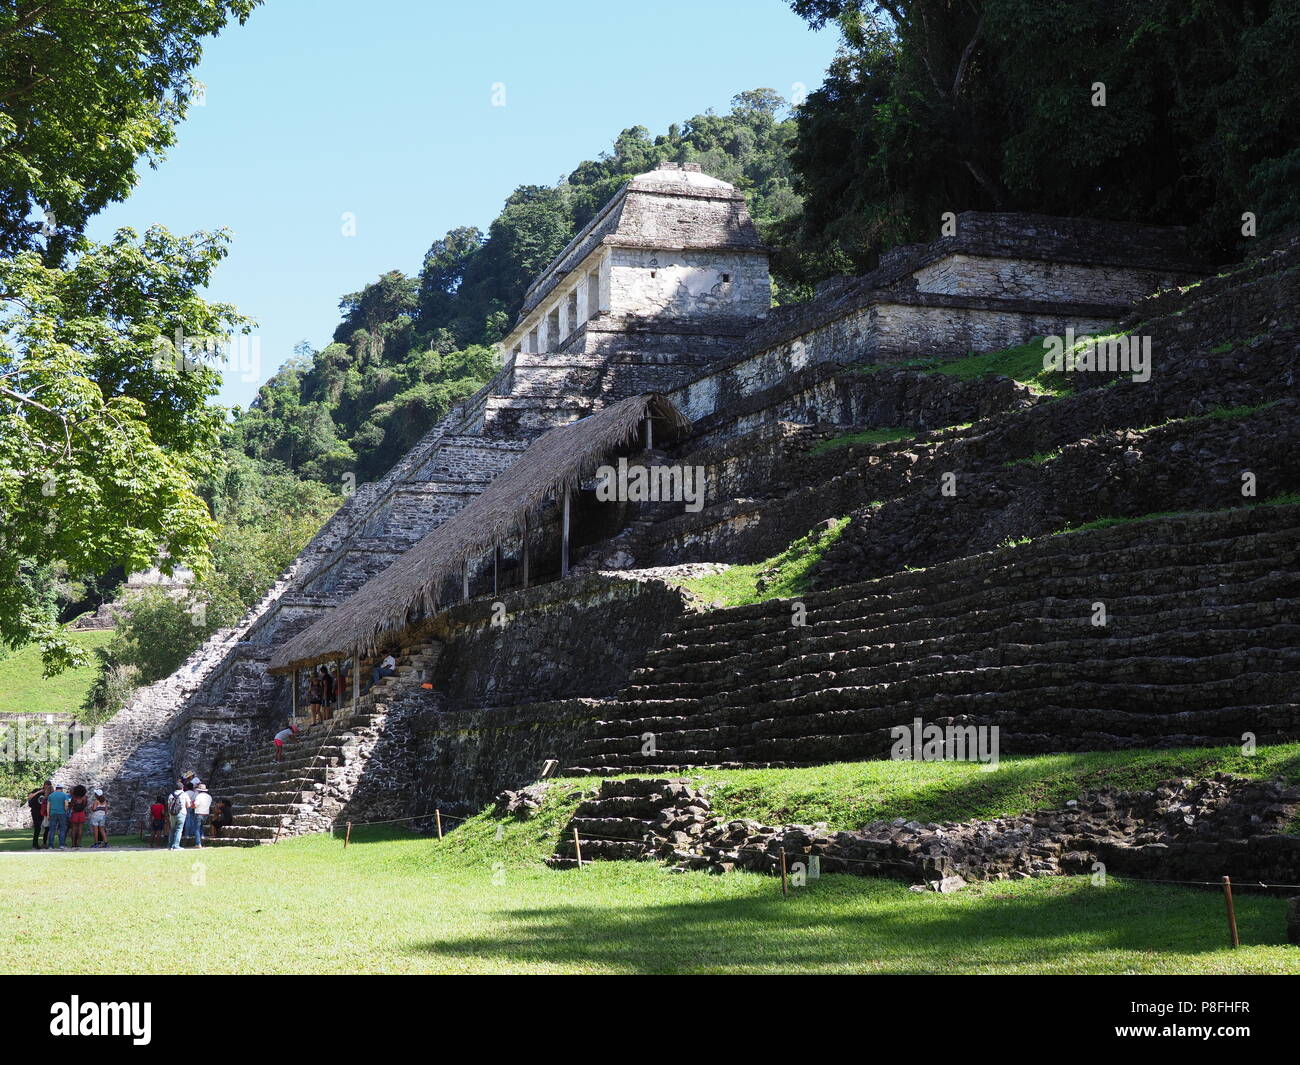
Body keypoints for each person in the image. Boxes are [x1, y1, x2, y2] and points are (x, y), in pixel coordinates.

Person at [26, 781, 50, 849]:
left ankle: (44, 843)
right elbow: (30, 796)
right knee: (37, 828)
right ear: (44, 785)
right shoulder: (37, 790)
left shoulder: (49, 793)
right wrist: (39, 792)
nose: (46, 787)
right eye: (46, 785)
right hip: (35, 812)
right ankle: (35, 844)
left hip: (43, 812)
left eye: (48, 786)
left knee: (47, 828)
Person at [167, 785, 191, 851]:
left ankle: (170, 846)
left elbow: (169, 806)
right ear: (182, 787)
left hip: (172, 814)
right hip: (181, 813)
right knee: (179, 829)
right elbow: (188, 805)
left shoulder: (171, 795)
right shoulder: (185, 794)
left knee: (172, 829)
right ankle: (176, 846)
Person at [46, 784, 70, 849]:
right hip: (62, 813)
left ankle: (51, 845)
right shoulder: (64, 795)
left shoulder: (51, 795)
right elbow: (66, 804)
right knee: (62, 829)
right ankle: (61, 845)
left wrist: (48, 815)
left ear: (56, 788)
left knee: (52, 830)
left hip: (53, 813)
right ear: (61, 788)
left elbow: (48, 806)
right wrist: (65, 810)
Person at [191, 783, 213, 848]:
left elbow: (195, 805)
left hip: (199, 814)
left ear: (199, 790)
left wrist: (191, 806)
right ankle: (201, 840)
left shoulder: (199, 796)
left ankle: (198, 843)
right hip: (206, 814)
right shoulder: (209, 797)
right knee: (201, 827)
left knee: (197, 829)